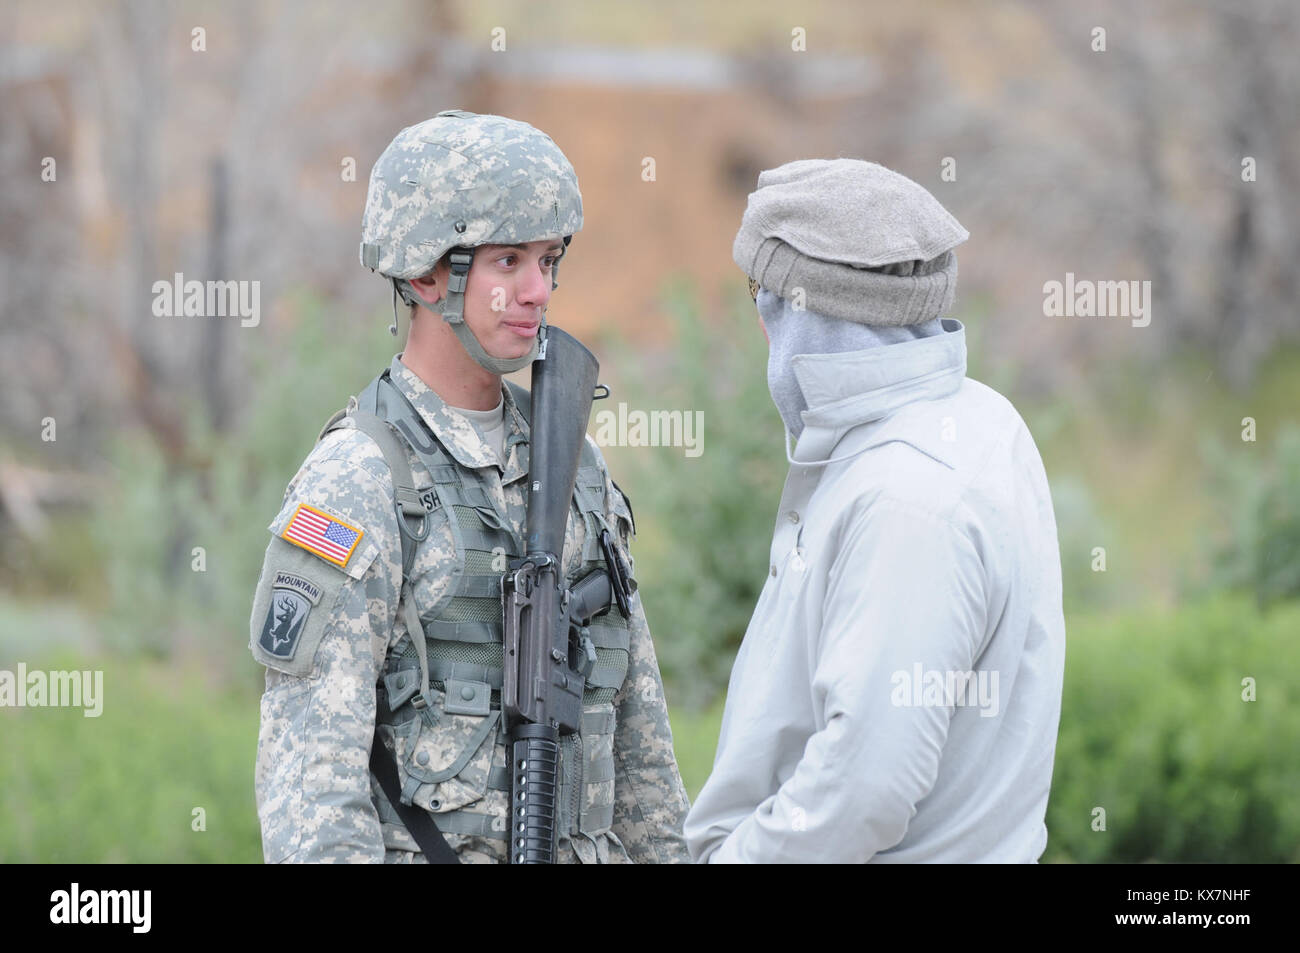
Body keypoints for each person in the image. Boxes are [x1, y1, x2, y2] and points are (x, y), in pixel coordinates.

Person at [249, 110, 691, 864]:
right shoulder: (359, 480)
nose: (539, 292)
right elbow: (311, 792)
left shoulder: (574, 464)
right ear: (427, 274)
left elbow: (642, 745)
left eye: (549, 260)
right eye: (508, 262)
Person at [683, 158, 1067, 863]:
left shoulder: (907, 496)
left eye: (760, 292)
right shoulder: (980, 420)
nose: (759, 323)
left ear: (804, 311)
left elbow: (864, 788)